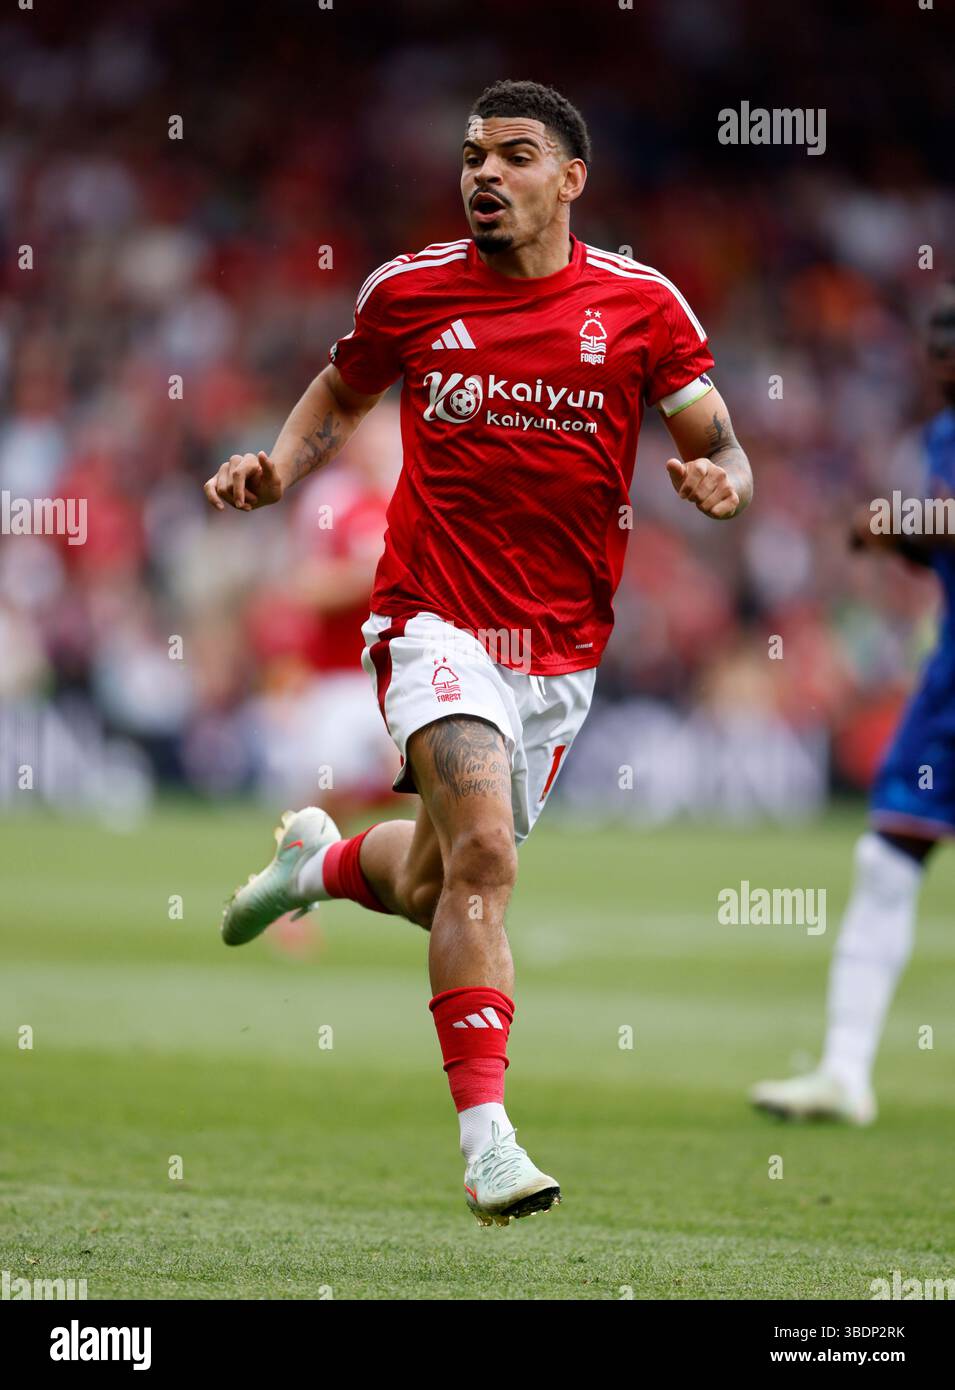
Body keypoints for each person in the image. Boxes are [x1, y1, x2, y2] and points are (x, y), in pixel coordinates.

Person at [204, 79, 753, 1225]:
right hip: (433, 615)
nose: (484, 175)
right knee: (489, 861)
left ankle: (314, 865)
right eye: (470, 155)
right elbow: (337, 394)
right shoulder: (409, 292)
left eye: (513, 155)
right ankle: (487, 1141)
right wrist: (277, 468)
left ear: (570, 181)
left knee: (437, 880)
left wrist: (721, 482)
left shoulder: (642, 307)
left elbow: (718, 437)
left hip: (561, 651)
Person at [751, 281, 955, 1125]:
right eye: (936, 353)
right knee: (884, 858)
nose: (940, 368)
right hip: (949, 678)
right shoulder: (938, 435)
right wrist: (897, 535)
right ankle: (844, 1072)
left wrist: (894, 525)